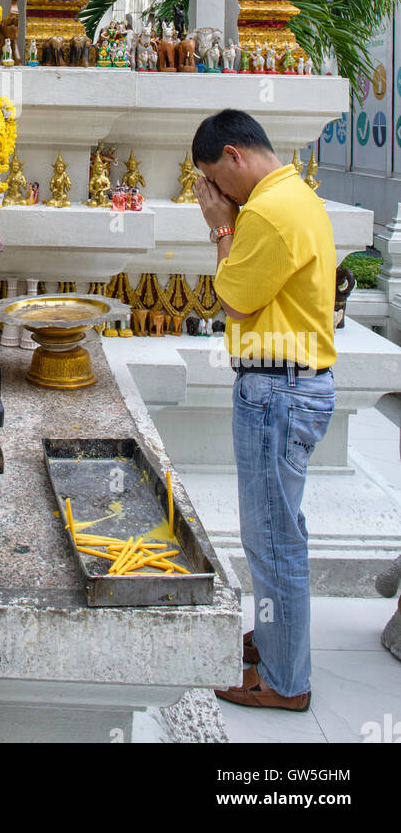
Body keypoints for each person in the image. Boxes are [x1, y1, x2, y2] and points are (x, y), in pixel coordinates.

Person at [191, 108, 336, 712]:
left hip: (277, 389)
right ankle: (276, 637)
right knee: (277, 534)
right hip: (290, 382)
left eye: (213, 182)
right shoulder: (293, 195)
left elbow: (234, 302)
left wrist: (222, 227)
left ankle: (285, 682)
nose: (214, 195)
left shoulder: (270, 213)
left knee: (273, 541)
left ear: (233, 157)